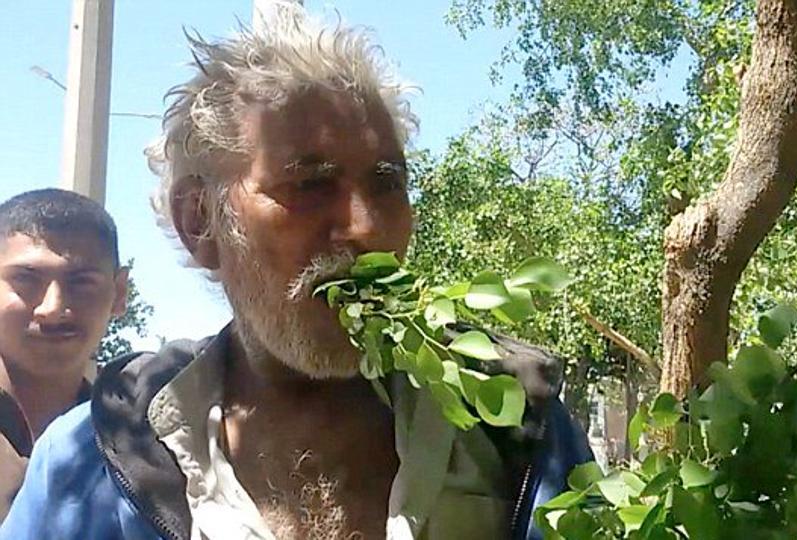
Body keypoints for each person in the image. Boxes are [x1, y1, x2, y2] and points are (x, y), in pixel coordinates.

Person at [1, 6, 591, 540]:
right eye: (309, 185)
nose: (364, 230)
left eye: (387, 183)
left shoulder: (514, 429)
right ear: (201, 221)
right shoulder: (94, 461)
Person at [0, 189, 128, 521]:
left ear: (119, 294)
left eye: (82, 282)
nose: (53, 309)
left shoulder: (137, 447)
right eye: (26, 280)